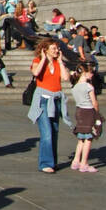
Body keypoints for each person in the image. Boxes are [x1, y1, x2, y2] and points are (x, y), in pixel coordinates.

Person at [27, 37, 71, 173]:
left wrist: (60, 62)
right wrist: (43, 59)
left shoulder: (58, 63)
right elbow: (36, 73)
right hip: (43, 100)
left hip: (56, 99)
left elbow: (65, 78)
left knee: (54, 131)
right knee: (46, 132)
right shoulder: (38, 61)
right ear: (45, 50)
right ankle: (45, 163)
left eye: (57, 48)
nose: (57, 50)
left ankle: (52, 161)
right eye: (54, 48)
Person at [70, 62, 100, 173]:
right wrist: (97, 114)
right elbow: (94, 102)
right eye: (91, 72)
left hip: (79, 111)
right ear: (86, 73)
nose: (92, 75)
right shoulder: (88, 86)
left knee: (81, 138)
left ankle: (76, 161)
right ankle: (84, 163)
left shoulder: (75, 86)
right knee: (88, 138)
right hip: (88, 111)